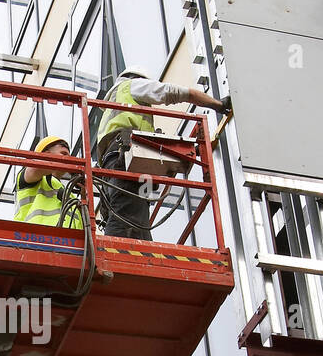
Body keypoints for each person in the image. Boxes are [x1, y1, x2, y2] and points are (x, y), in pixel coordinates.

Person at [96, 68, 230, 240]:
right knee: (127, 215)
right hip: (124, 158)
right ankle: (114, 257)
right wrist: (217, 105)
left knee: (134, 217)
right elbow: (172, 92)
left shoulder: (111, 106)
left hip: (113, 164)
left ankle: (135, 259)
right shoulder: (132, 86)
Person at [13, 134, 84, 230]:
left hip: (68, 241)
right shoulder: (34, 178)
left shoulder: (68, 193)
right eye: (63, 154)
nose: (69, 159)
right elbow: (34, 169)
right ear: (46, 154)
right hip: (35, 236)